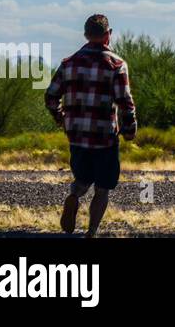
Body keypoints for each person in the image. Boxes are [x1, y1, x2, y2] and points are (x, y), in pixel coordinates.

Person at [45, 14, 137, 237]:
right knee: (103, 187)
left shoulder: (68, 63)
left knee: (82, 178)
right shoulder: (116, 65)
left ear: (86, 34)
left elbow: (50, 97)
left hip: (76, 136)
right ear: (108, 34)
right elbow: (125, 101)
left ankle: (74, 197)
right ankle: (92, 231)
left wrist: (62, 119)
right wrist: (129, 129)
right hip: (104, 136)